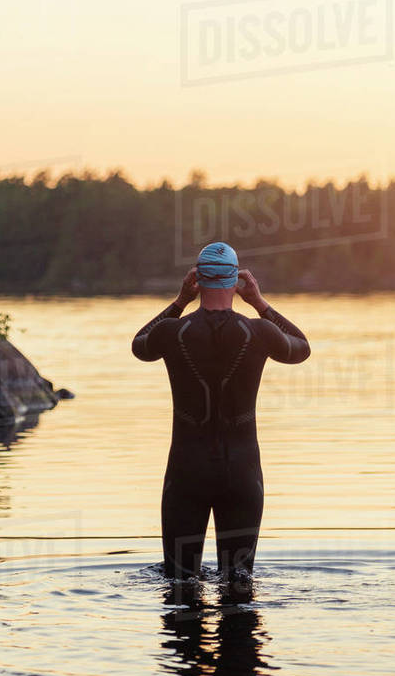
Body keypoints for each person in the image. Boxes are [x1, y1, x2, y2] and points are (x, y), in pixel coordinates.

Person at [131, 241, 310, 581]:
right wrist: (259, 303)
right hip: (242, 472)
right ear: (237, 280)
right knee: (238, 584)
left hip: (186, 471)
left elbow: (140, 345)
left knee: (179, 584)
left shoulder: (172, 332)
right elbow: (301, 348)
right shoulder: (259, 332)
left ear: (196, 280)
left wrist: (180, 301)